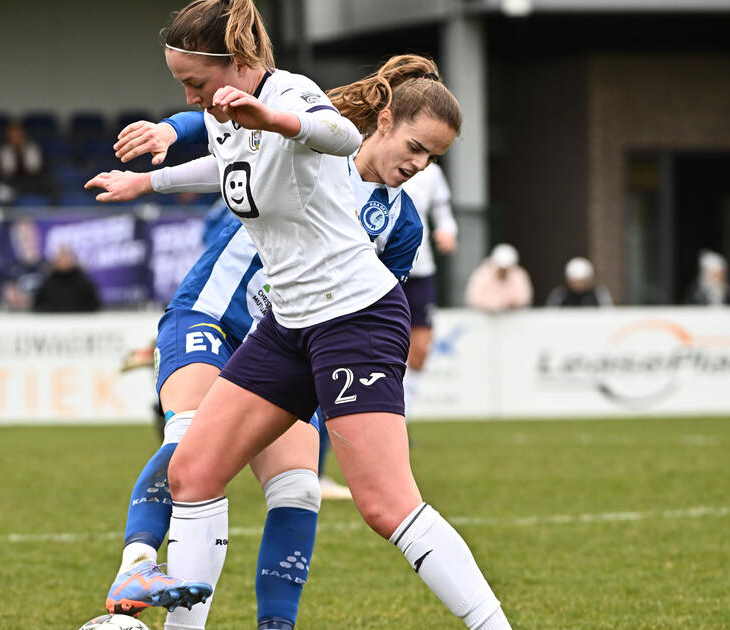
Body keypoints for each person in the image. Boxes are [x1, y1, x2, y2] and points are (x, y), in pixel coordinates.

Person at [86, 4, 511, 629]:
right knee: (194, 471)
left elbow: (334, 132)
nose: (188, 96)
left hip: (355, 318)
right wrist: (147, 185)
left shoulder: (290, 94)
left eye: (194, 83)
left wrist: (275, 118)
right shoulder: (228, 118)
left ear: (235, 64)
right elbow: (229, 166)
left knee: (385, 504)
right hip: (287, 324)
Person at [397, 162, 457, 415]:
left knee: (420, 349)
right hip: (385, 271)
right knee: (387, 348)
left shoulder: (430, 171)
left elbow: (444, 215)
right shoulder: (370, 157)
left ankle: (403, 415)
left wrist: (448, 231)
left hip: (421, 271)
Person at [0, 120, 55, 204]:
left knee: (51, 182)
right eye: (12, 135)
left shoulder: (33, 147)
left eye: (18, 134)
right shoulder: (3, 150)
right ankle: (8, 214)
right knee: (0, 189)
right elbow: (5, 171)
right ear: (8, 136)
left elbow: (37, 168)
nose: (15, 137)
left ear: (23, 134)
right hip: (12, 181)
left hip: (32, 180)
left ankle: (53, 211)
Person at [465, 243, 533, 312]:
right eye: (501, 268)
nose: (503, 271)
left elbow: (524, 298)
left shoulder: (518, 276)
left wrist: (511, 304)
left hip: (514, 319)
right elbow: (474, 299)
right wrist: (494, 305)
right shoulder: (482, 275)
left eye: (506, 268)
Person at [31, 245, 100, 312]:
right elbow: (38, 306)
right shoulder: (48, 283)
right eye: (61, 258)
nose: (63, 261)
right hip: (54, 322)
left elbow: (93, 305)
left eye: (66, 257)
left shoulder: (83, 282)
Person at [0, 217, 46, 310]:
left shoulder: (48, 266)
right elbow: (9, 296)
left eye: (29, 236)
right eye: (22, 237)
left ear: (37, 236)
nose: (27, 241)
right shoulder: (11, 270)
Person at [545, 256, 613, 307]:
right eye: (576, 281)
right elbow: (551, 314)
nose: (579, 285)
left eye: (582, 281)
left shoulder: (598, 294)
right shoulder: (561, 295)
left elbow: (607, 313)